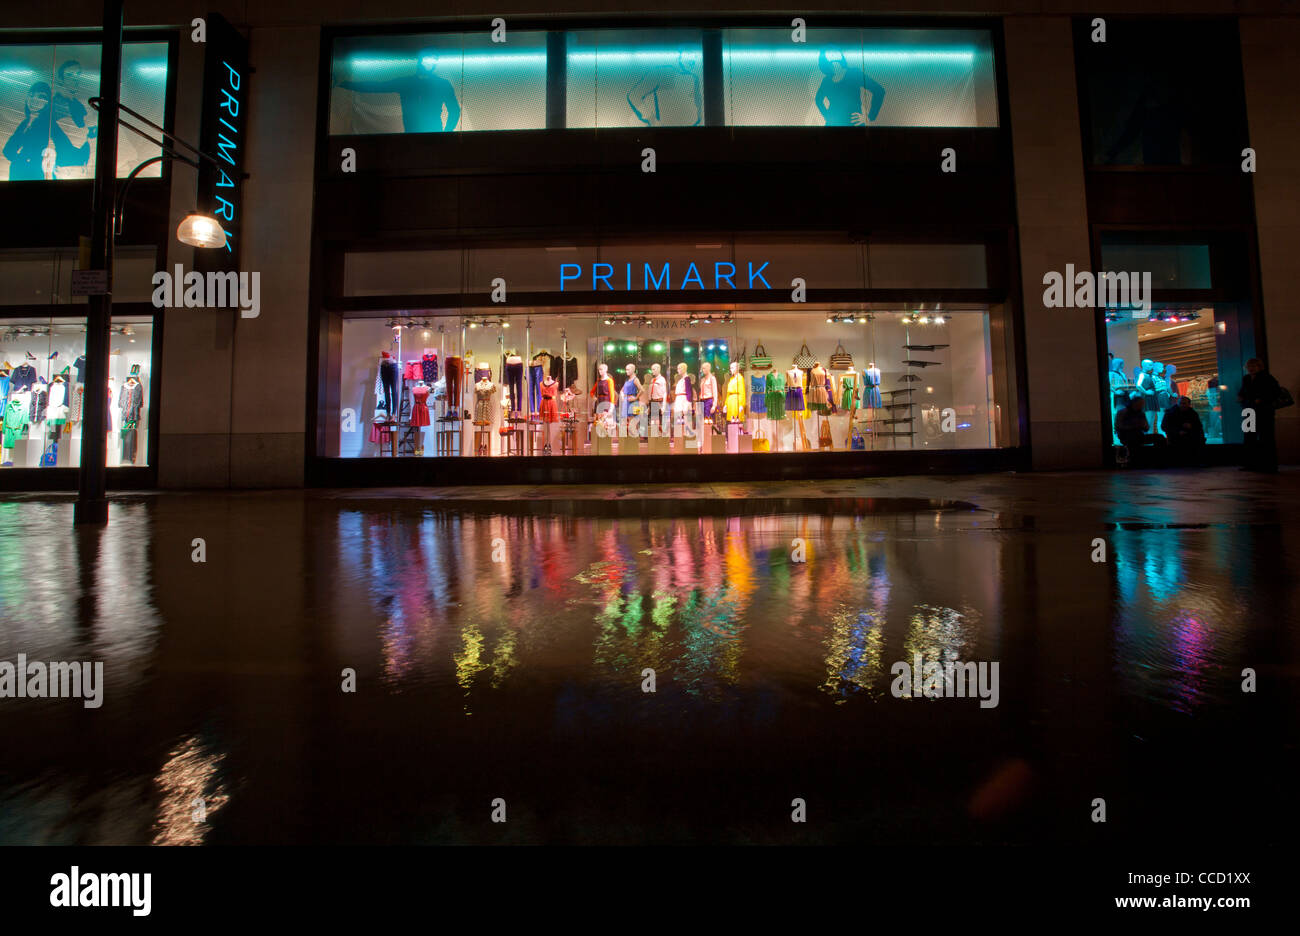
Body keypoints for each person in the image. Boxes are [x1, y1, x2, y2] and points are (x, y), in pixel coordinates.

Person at [336, 48, 460, 132]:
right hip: (415, 136)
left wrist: (446, 133)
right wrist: (344, 84)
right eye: (428, 59)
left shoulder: (441, 84)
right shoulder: (410, 82)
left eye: (433, 60)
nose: (430, 63)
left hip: (428, 136)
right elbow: (376, 86)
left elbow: (454, 111)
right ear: (420, 60)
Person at [627, 49, 702, 127]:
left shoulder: (693, 78)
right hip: (662, 132)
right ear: (679, 57)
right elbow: (634, 95)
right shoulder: (661, 72)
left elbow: (698, 104)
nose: (692, 60)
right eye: (688, 54)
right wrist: (649, 118)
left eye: (695, 57)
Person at [814, 47, 885, 127]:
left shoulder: (853, 73)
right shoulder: (827, 80)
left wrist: (869, 116)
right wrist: (827, 116)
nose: (832, 55)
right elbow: (818, 99)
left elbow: (879, 91)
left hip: (853, 124)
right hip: (832, 125)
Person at [3, 82, 53, 180]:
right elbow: (8, 150)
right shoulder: (25, 123)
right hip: (18, 171)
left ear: (48, 102)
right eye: (31, 95)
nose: (34, 100)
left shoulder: (48, 124)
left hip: (34, 172)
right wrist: (20, 161)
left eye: (41, 97)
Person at [1237, 358, 1279, 472]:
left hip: (1263, 411)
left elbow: (1274, 392)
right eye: (1249, 366)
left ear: (1259, 367)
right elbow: (1242, 392)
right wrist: (1241, 398)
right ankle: (1251, 464)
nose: (1251, 368)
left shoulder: (1267, 378)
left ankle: (1269, 465)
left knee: (1266, 437)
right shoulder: (1246, 379)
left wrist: (1261, 400)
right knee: (1249, 437)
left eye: (1254, 366)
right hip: (1249, 410)